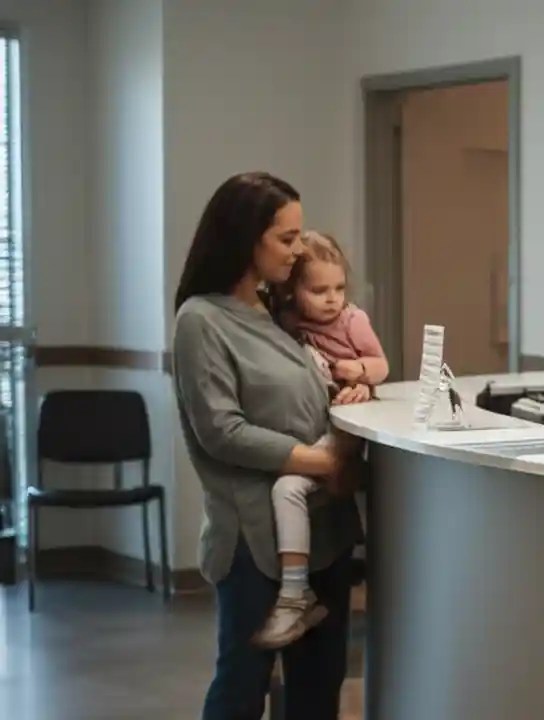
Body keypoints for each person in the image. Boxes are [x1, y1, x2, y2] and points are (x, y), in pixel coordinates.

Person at [172, 171, 367, 719]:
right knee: (242, 686)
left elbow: (302, 397)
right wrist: (323, 460)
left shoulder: (279, 314)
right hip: (255, 538)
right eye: (286, 238)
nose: (299, 250)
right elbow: (221, 430)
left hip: (321, 527)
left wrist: (347, 391)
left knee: (318, 688)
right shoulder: (202, 322)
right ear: (245, 238)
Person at [253, 230, 388, 649]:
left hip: (341, 431)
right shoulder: (289, 325)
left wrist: (361, 374)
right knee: (290, 489)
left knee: (289, 488)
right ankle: (297, 590)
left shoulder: (352, 320)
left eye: (339, 288)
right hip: (313, 430)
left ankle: (294, 595)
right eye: (319, 290)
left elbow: (381, 364)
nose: (332, 299)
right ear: (293, 292)